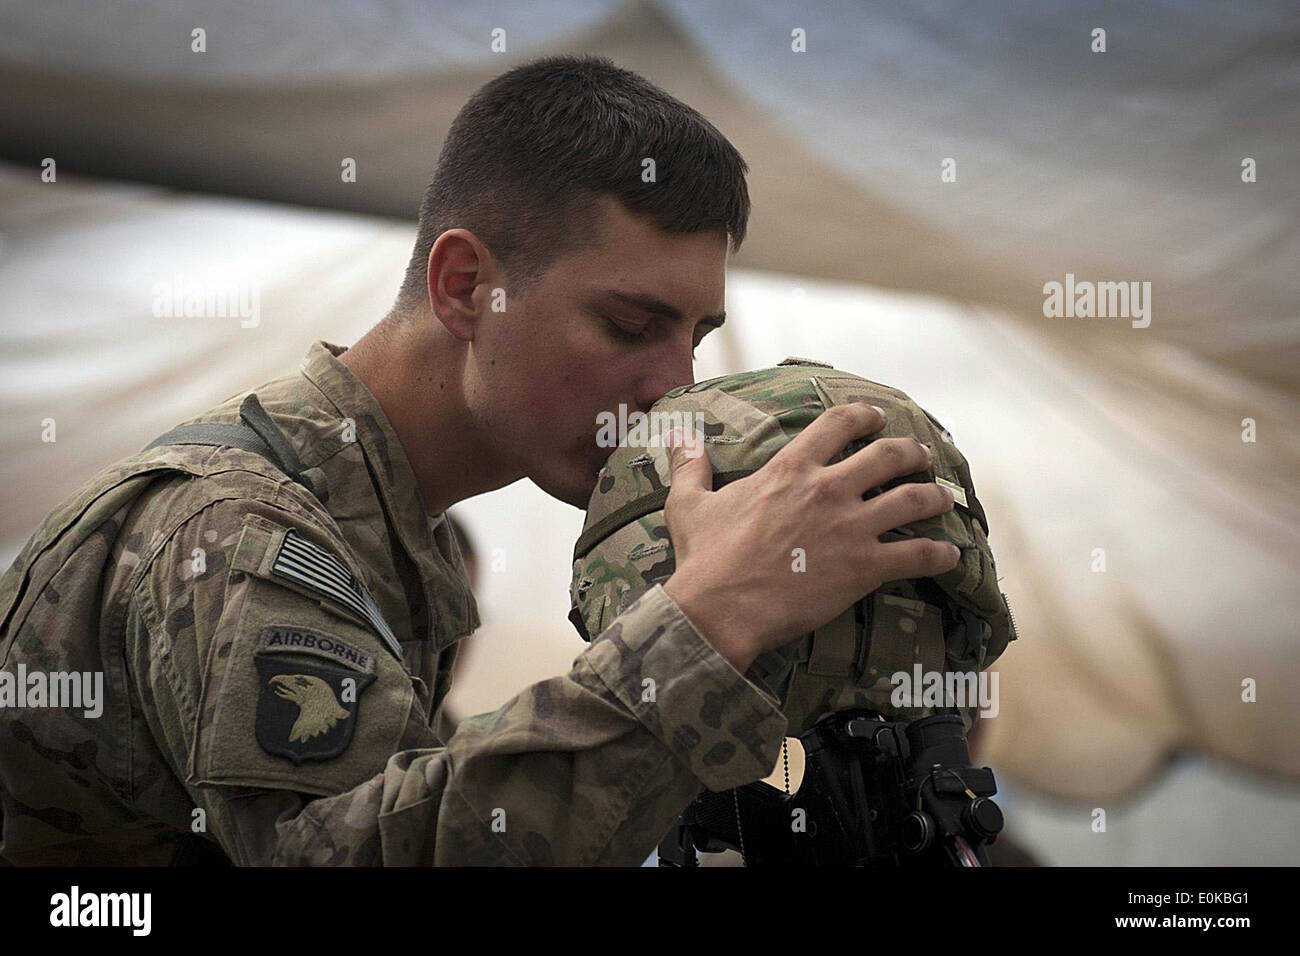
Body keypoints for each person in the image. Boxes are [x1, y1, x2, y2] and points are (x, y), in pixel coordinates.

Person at [0, 55, 960, 865]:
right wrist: (708, 623)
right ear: (466, 287)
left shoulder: (384, 533)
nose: (676, 383)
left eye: (698, 334)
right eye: (631, 324)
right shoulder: (241, 531)